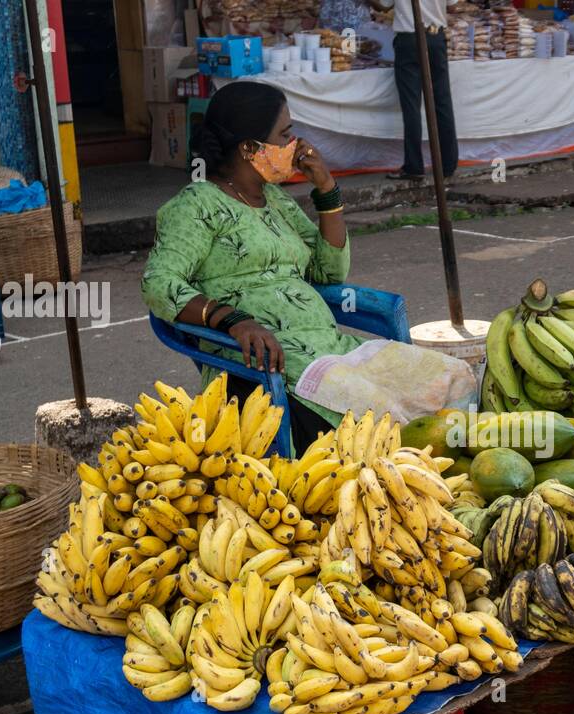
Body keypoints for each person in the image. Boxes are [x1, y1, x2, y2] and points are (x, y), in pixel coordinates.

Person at [141, 81, 355, 450]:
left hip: (326, 346)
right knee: (370, 426)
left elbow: (329, 271)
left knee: (438, 385)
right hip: (269, 364)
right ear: (249, 148)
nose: (296, 145)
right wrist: (234, 320)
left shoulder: (276, 201)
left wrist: (326, 189)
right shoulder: (197, 206)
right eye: (285, 135)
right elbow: (159, 284)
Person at [372, 0, 458, 181]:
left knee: (411, 105)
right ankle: (448, 164)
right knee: (441, 101)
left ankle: (414, 166)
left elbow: (384, 5)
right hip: (435, 38)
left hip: (409, 40)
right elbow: (453, 6)